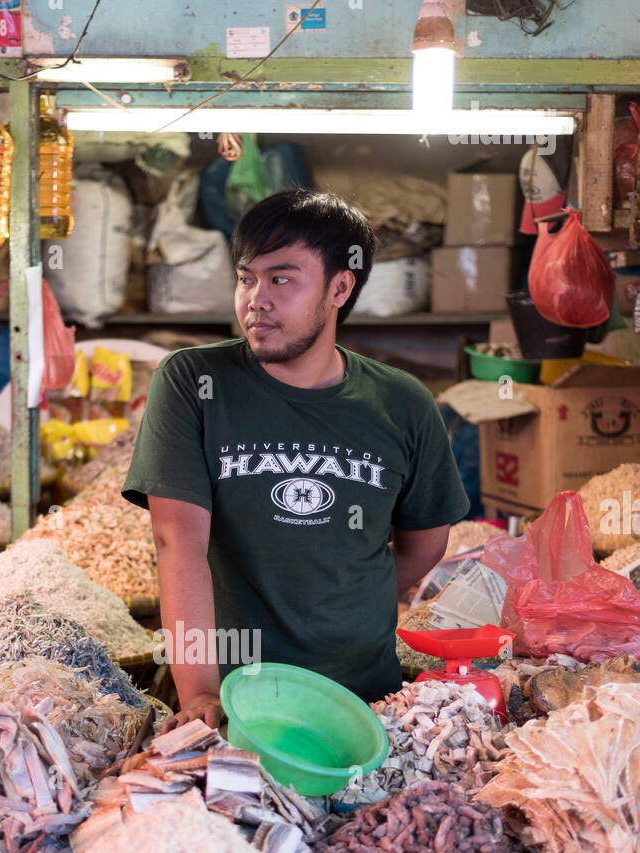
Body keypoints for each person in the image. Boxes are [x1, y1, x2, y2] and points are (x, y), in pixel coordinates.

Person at [123, 188, 469, 728]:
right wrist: (201, 695)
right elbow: (178, 543)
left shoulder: (402, 402)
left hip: (366, 701)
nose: (255, 299)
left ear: (340, 286)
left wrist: (342, 593)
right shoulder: (194, 381)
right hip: (235, 702)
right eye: (246, 278)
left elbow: (424, 545)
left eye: (281, 278)